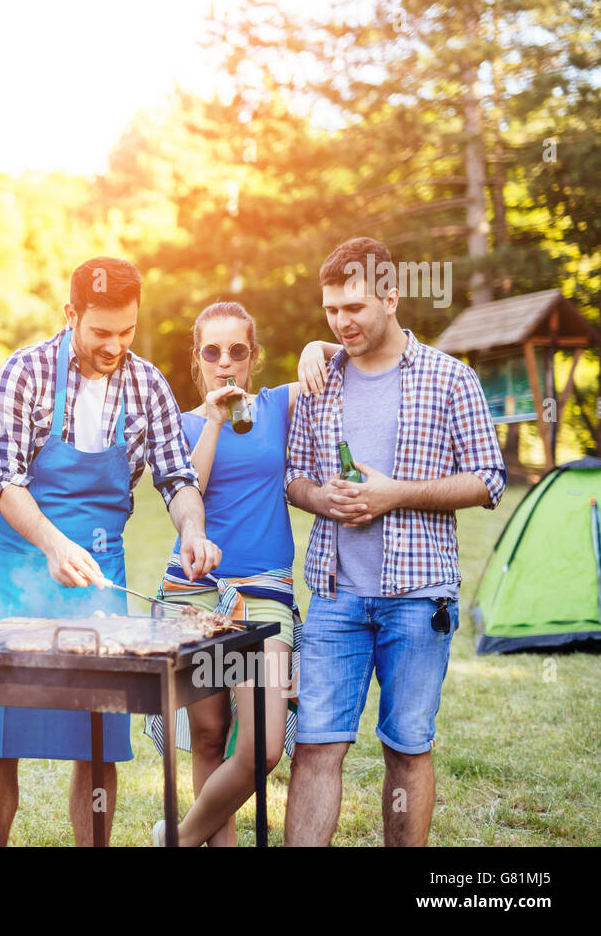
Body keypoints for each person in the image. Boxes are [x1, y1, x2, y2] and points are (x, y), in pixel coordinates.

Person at [0, 256, 220, 846]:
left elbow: (178, 478)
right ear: (70, 315)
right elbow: (2, 481)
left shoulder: (147, 384)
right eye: (101, 332)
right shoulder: (24, 373)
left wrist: (191, 530)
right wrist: (54, 545)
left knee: (98, 737)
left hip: (100, 586)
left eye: (126, 332)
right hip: (20, 575)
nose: (114, 346)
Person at [284, 237, 506, 846]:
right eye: (331, 310)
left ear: (391, 295)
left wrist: (395, 493)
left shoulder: (450, 377)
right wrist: (321, 499)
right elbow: (294, 476)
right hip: (334, 597)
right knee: (314, 748)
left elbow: (489, 480)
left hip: (418, 598)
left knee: (407, 750)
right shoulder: (320, 381)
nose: (341, 321)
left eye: (353, 307)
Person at [145, 301, 339, 847]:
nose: (224, 362)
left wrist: (312, 348)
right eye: (212, 351)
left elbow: (345, 356)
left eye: (237, 351)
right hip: (197, 596)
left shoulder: (275, 406)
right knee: (210, 737)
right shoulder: (183, 424)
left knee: (264, 746)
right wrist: (210, 418)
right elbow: (191, 489)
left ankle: (179, 840)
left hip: (264, 596)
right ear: (197, 359)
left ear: (253, 357)